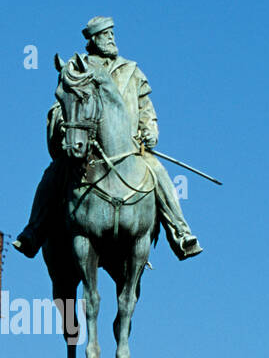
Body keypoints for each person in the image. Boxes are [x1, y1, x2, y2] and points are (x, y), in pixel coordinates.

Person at [12, 16, 202, 260]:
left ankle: (180, 232)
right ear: (93, 40)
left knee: (158, 171)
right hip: (85, 148)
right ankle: (34, 231)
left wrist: (150, 130)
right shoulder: (78, 67)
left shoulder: (131, 70)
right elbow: (62, 105)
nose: (111, 39)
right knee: (53, 175)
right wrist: (63, 127)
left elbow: (145, 107)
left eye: (112, 34)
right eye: (105, 35)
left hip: (129, 148)